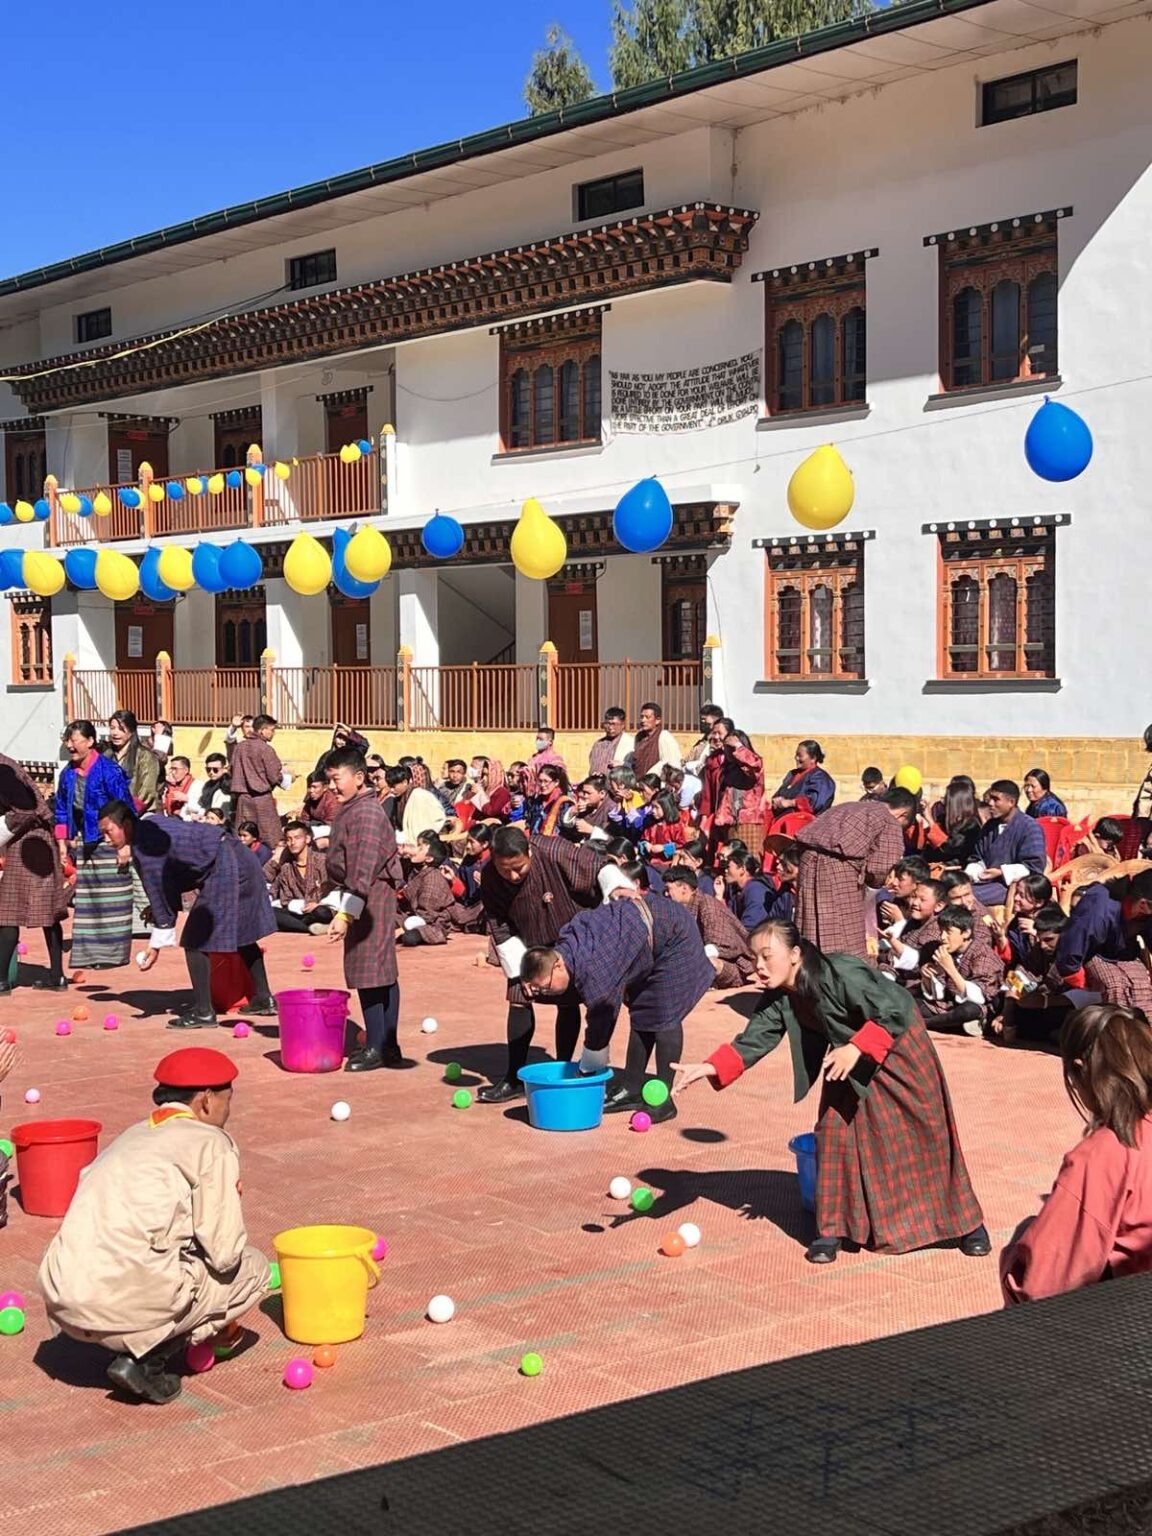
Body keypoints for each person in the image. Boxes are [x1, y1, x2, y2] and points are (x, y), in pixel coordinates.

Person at [672, 919, 990, 1265]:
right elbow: (757, 1036)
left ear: (794, 954)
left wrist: (857, 1048)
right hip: (848, 1055)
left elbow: (894, 1010)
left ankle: (968, 1223)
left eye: (767, 956)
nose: (759, 967)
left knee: (927, 1134)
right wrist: (709, 1067)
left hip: (897, 1047)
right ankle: (832, 1229)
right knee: (834, 1132)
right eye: (755, 958)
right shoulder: (781, 995)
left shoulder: (841, 972)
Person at [39, 1046, 268, 1405]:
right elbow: (224, 1254)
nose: (228, 1110)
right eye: (227, 1100)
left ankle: (128, 1338)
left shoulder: (132, 1135)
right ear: (205, 1101)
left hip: (61, 1297)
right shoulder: (210, 1142)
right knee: (251, 1268)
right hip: (121, 1303)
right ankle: (145, 1361)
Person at [1001, 1004, 1152, 1303]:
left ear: (1081, 1070)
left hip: (1129, 1324)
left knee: (1027, 1234)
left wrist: (1012, 1257)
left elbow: (1041, 1286)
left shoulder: (1104, 1156)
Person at [522, 892, 714, 1123]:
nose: (546, 993)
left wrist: (587, 1068)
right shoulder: (567, 945)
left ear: (558, 964)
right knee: (643, 1011)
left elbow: (602, 1017)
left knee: (663, 1012)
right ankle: (632, 1088)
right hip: (646, 931)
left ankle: (664, 1100)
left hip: (674, 934)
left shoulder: (593, 970)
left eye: (546, 987)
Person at [99, 801, 277, 1030]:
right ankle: (263, 998)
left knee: (195, 940)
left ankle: (204, 1012)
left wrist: (154, 945)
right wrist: (160, 907)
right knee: (242, 934)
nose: (105, 838)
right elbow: (169, 880)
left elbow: (160, 890)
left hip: (225, 864)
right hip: (241, 857)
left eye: (108, 831)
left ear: (125, 824)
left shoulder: (146, 848)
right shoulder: (151, 823)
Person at [478, 826, 623, 1103]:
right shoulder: (490, 877)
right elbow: (498, 924)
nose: (512, 875)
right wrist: (520, 971)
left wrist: (616, 888)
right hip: (526, 943)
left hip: (574, 936)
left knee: (567, 1001)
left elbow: (598, 866)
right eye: (504, 869)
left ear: (529, 852)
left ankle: (563, 1068)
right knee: (518, 997)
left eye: (518, 868)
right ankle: (513, 1077)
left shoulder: (553, 849)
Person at [324, 747, 406, 1072]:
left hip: (371, 893)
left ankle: (376, 1045)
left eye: (336, 779)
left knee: (371, 969)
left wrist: (346, 914)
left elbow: (362, 868)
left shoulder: (367, 813)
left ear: (359, 778)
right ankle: (387, 1044)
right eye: (329, 779)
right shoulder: (355, 807)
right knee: (380, 968)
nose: (332, 786)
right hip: (365, 892)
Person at [794, 789, 917, 960]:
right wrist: (873, 880)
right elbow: (879, 868)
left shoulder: (847, 806)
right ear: (903, 815)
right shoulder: (889, 821)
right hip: (840, 874)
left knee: (809, 929)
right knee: (843, 942)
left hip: (807, 866)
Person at [55, 720, 134, 971]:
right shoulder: (67, 773)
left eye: (74, 740)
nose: (70, 745)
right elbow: (61, 809)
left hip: (110, 841)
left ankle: (112, 954)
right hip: (84, 841)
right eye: (67, 740)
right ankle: (89, 955)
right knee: (88, 903)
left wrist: (124, 845)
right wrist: (62, 843)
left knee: (113, 902)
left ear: (89, 742)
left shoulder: (109, 771)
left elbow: (125, 808)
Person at [0, 753, 69, 993]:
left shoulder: (3, 770)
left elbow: (25, 811)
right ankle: (57, 976)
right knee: (46, 912)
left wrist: (1, 830)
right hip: (34, 840)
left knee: (8, 911)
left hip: (30, 842)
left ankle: (1, 981)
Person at [1055, 870, 1152, 1011]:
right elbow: (1072, 949)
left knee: (1142, 988)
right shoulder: (1099, 906)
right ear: (1144, 905)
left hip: (1124, 952)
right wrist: (1083, 986)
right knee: (1114, 988)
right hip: (1091, 955)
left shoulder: (1145, 915)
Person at [916, 905, 1005, 1036]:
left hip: (979, 1006)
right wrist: (928, 977)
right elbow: (939, 995)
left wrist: (950, 969)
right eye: (941, 931)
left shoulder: (982, 953)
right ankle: (947, 1024)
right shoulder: (945, 950)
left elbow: (979, 997)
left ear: (966, 933)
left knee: (968, 1011)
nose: (943, 937)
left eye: (948, 932)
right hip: (948, 1005)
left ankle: (926, 1024)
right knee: (912, 1001)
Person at [664, 866, 755, 989]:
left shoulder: (707, 907)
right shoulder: (686, 908)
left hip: (739, 968)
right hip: (708, 964)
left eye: (669, 889)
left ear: (684, 888)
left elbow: (722, 947)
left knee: (707, 961)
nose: (666, 893)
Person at [997, 904, 1073, 1045]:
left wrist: (1044, 1001)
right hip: (1042, 1002)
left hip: (1068, 1007)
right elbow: (1025, 973)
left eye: (1049, 940)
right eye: (1040, 939)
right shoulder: (1040, 950)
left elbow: (1085, 994)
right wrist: (1008, 1006)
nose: (1043, 945)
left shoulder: (1076, 953)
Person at [967, 781, 1047, 907]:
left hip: (1010, 887)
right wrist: (976, 870)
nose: (990, 804)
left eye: (996, 799)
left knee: (966, 897)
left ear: (1011, 802)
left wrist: (1001, 872)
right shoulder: (990, 826)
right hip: (985, 881)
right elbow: (977, 856)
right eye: (990, 799)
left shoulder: (1030, 827)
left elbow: (1035, 868)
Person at [699, 718, 764, 861]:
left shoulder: (751, 766)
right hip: (728, 823)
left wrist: (739, 747)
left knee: (748, 863)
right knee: (731, 863)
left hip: (747, 822)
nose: (727, 751)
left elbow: (755, 766)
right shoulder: (726, 769)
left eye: (730, 748)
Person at [399, 832, 480, 946]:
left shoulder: (432, 878)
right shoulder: (417, 871)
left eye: (420, 847)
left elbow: (428, 913)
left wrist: (406, 925)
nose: (415, 850)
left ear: (429, 858)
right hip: (418, 914)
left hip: (435, 921)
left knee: (410, 936)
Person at [229, 714, 289, 853]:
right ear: (262, 730)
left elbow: (233, 769)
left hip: (243, 799)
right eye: (272, 730)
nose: (273, 733)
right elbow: (274, 776)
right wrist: (287, 779)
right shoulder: (265, 749)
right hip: (262, 799)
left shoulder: (239, 748)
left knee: (244, 839)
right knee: (272, 839)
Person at [264, 822, 335, 934]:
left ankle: (303, 926)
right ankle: (311, 928)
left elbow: (335, 888)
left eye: (297, 838)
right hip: (298, 912)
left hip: (320, 908)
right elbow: (270, 886)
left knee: (322, 912)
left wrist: (318, 904)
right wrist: (276, 860)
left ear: (307, 839)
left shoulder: (322, 861)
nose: (292, 842)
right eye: (289, 839)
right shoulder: (286, 867)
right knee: (268, 912)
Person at [105, 710, 161, 813]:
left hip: (137, 815)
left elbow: (146, 793)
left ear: (131, 731)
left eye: (121, 729)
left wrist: (126, 814)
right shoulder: (106, 754)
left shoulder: (145, 756)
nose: (115, 733)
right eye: (112, 728)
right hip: (109, 815)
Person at [926, 776, 983, 870]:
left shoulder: (971, 825)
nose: (943, 803)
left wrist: (930, 821)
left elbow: (950, 848)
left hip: (958, 871)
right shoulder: (942, 819)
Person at [383, 763, 447, 850]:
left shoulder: (419, 795)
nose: (391, 790)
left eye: (394, 787)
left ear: (405, 782)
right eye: (390, 786)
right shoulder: (398, 799)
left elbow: (438, 817)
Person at [769, 740, 836, 818]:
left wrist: (791, 803)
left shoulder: (821, 778)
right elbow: (780, 793)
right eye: (796, 755)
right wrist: (777, 801)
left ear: (813, 758)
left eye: (800, 756)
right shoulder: (792, 774)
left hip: (808, 825)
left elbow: (816, 803)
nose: (796, 758)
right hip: (784, 821)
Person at [724, 851, 775, 932]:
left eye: (728, 867)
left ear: (742, 870)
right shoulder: (736, 890)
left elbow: (750, 926)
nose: (725, 871)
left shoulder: (755, 890)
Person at [629, 702, 682, 779]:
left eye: (647, 717)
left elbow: (670, 763)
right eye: (642, 717)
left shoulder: (664, 736)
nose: (643, 720)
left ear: (657, 720)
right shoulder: (639, 737)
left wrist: (650, 775)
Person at [528, 764, 573, 838]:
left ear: (556, 782)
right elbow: (529, 823)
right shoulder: (537, 802)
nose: (542, 785)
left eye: (546, 781)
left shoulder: (564, 803)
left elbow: (567, 829)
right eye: (540, 781)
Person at [588, 708, 635, 779]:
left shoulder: (631, 743)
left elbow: (636, 768)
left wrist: (623, 765)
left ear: (622, 725)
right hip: (597, 786)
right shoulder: (598, 744)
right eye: (607, 724)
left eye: (614, 724)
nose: (610, 727)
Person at [684, 703, 725, 777]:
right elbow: (688, 760)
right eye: (701, 720)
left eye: (704, 720)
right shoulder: (701, 743)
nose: (702, 723)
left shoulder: (723, 743)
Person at [196, 753, 232, 822]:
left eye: (215, 770)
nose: (211, 772)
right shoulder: (208, 785)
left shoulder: (226, 786)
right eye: (208, 769)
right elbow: (203, 804)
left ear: (224, 769)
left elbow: (220, 813)